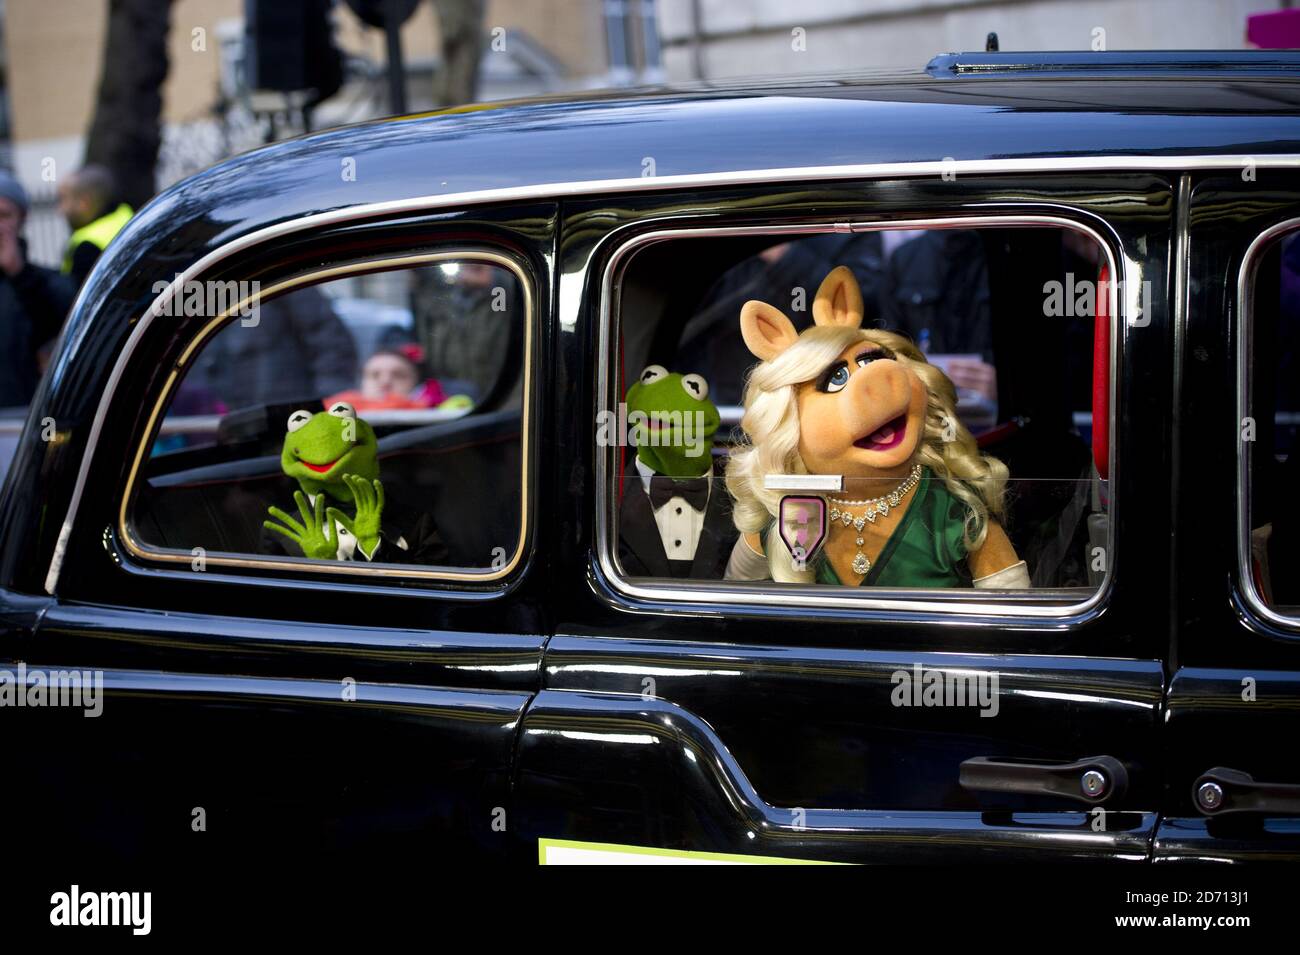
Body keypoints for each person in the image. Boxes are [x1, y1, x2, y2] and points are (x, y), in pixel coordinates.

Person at [0, 171, 76, 406]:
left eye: (4, 215)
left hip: (22, 420)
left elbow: (58, 329)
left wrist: (20, 275)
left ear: (22, 219)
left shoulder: (49, 283)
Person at [58, 165, 133, 289]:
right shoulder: (127, 216)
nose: (60, 210)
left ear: (84, 203)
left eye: (63, 199)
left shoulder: (87, 247)